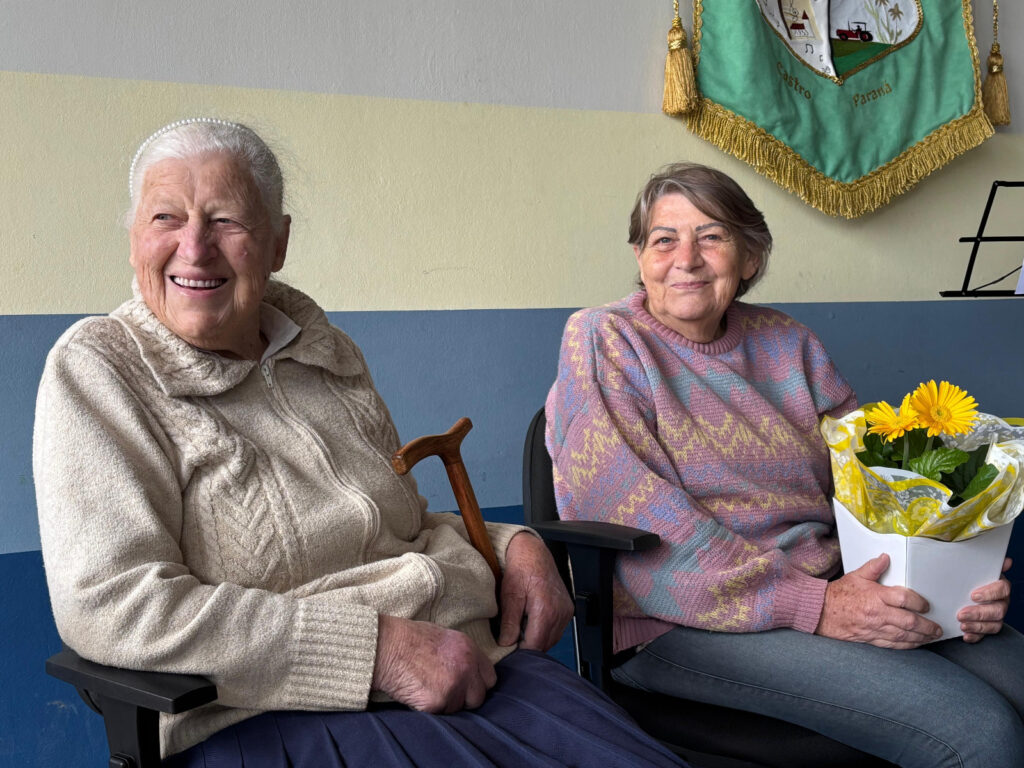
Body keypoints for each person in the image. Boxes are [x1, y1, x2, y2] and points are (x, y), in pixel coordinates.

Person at [33, 118, 686, 768]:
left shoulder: (327, 353)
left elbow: (398, 526)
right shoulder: (101, 369)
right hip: (275, 717)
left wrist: (516, 545)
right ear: (132, 238)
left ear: (278, 242)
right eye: (165, 218)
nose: (194, 247)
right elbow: (112, 605)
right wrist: (378, 653)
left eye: (227, 220)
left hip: (467, 664)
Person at [545, 162, 1024, 767]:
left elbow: (869, 484)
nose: (686, 258)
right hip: (680, 619)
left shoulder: (789, 342)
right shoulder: (604, 338)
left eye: (712, 236)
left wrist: (951, 570)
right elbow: (628, 511)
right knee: (977, 731)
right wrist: (815, 606)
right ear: (640, 257)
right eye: (664, 239)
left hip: (832, 587)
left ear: (750, 256)